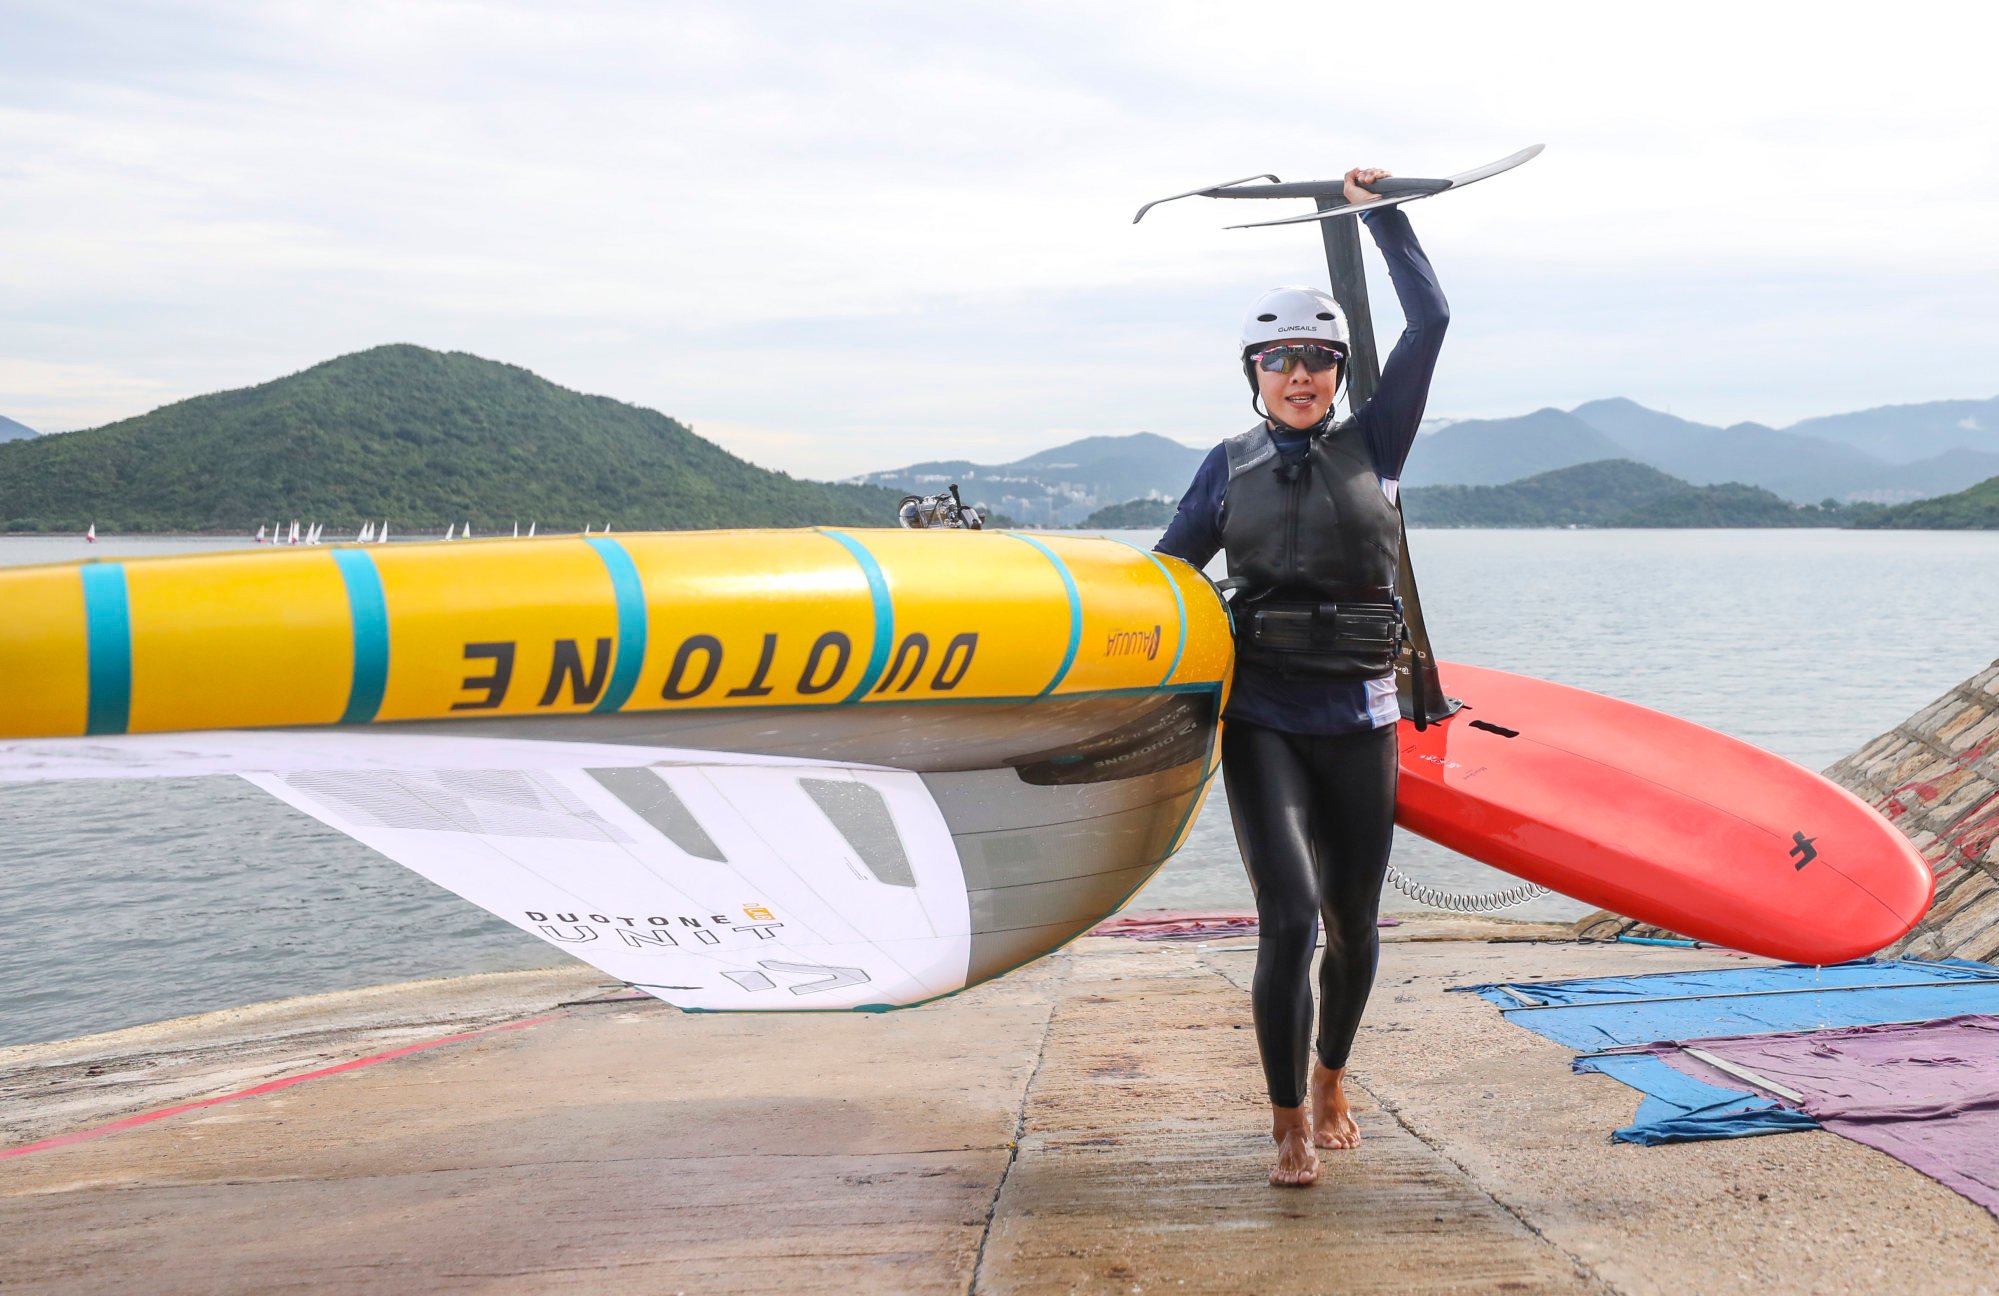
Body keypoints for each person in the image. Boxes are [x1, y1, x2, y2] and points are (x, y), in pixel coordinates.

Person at [1155, 167, 1447, 1188]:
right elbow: (1166, 578)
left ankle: (1332, 1075)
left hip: (1360, 711)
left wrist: (1384, 219)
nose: (1302, 376)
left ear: (1336, 373)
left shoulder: (1378, 440)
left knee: (1352, 928)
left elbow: (1430, 319)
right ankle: (1286, 1121)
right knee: (1285, 920)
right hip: (1266, 715)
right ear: (1255, 371)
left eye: (1319, 360)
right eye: (1282, 359)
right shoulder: (1224, 465)